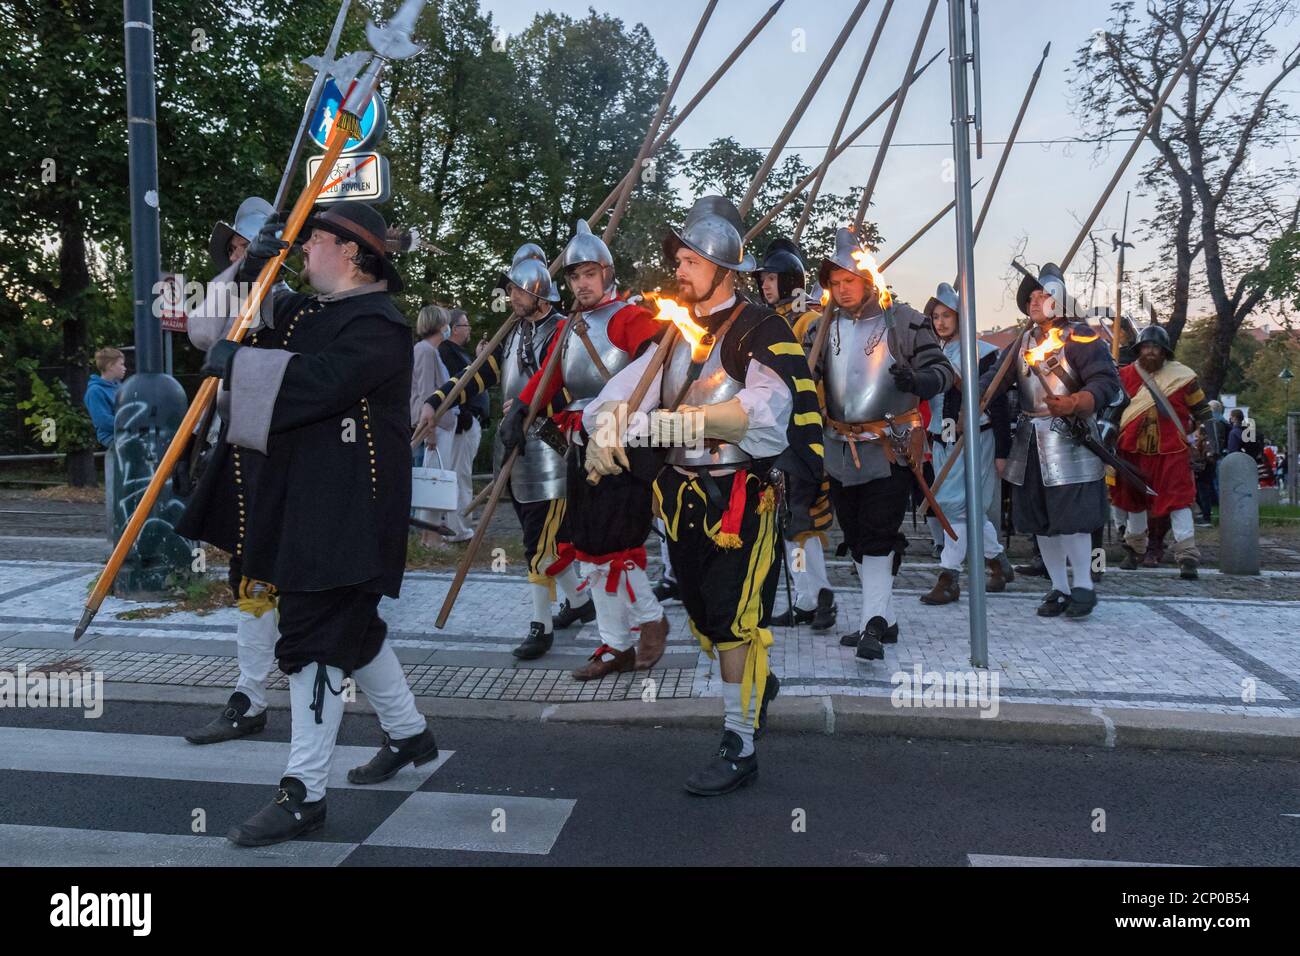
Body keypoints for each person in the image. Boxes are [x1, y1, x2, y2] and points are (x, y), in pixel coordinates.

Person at [187, 200, 438, 846]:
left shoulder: (382, 327)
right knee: (353, 630)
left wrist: (237, 365)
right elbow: (219, 322)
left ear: (349, 253)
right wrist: (254, 268)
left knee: (314, 638)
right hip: (309, 508)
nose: (304, 252)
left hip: (348, 516)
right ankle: (410, 734)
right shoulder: (313, 311)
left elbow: (321, 381)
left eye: (311, 242)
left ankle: (305, 794)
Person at [584, 196, 823, 795]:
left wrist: (674, 423)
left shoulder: (760, 329)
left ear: (722, 268)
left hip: (741, 497)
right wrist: (605, 428)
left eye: (689, 260)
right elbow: (615, 397)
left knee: (736, 622)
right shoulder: (671, 331)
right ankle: (754, 687)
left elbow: (764, 420)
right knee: (704, 619)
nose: (680, 270)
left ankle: (739, 742)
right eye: (679, 260)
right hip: (681, 499)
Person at [503, 219, 670, 678]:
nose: (581, 283)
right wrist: (520, 410)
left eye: (589, 274)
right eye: (574, 276)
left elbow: (661, 362)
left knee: (618, 542)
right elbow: (549, 378)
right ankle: (615, 645)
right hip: (578, 440)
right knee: (588, 546)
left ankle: (651, 618)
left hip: (621, 444)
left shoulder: (629, 317)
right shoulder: (572, 325)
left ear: (607, 274)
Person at [416, 244, 595, 660]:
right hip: (513, 446)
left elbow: (574, 384)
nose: (511, 297)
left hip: (551, 446)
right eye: (510, 290)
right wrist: (439, 399)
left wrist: (534, 409)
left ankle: (541, 624)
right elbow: (476, 376)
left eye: (518, 290)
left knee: (539, 542)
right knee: (544, 536)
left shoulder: (564, 331)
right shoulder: (512, 332)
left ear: (538, 294)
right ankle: (581, 601)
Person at [812, 227, 956, 657]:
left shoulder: (906, 321)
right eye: (835, 284)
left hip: (891, 446)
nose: (841, 290)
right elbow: (806, 378)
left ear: (868, 280)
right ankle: (885, 618)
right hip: (839, 446)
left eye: (848, 281)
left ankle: (871, 622)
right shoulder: (823, 328)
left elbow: (943, 372)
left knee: (877, 533)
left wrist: (918, 379)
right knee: (855, 536)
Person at [179, 196, 289, 746]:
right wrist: (242, 274)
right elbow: (201, 332)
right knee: (249, 575)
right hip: (239, 451)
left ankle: (401, 724)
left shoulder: (300, 308)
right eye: (237, 249)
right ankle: (250, 696)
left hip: (291, 459)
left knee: (315, 588)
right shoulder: (227, 302)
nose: (244, 254)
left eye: (251, 247)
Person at [980, 263, 1120, 619]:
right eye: (1031, 297)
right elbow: (993, 383)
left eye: (1043, 295)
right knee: (1040, 521)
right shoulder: (1020, 343)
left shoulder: (1082, 337)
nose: (1035, 301)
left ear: (1059, 300)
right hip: (1029, 440)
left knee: (1071, 519)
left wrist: (1076, 402)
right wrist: (968, 397)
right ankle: (1058, 586)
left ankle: (1084, 586)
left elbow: (1106, 383)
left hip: (1071, 439)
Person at [753, 236, 836, 632]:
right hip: (778, 434)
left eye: (772, 278)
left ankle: (816, 595)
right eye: (763, 279)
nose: (765, 285)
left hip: (804, 433)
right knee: (795, 521)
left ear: (790, 281)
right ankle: (809, 595)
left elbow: (818, 379)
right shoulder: (772, 323)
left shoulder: (810, 322)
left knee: (800, 520)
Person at [919, 282, 1012, 605]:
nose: (940, 322)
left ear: (961, 316)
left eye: (947, 315)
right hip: (942, 440)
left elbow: (998, 405)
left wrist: (1002, 451)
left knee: (954, 506)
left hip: (974, 439)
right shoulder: (933, 354)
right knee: (965, 507)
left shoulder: (984, 353)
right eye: (935, 316)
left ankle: (949, 577)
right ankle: (998, 563)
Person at [1107, 325, 1214, 580]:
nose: (1151, 351)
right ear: (1139, 350)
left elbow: (1203, 412)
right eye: (1146, 347)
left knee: (1179, 501)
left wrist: (1210, 442)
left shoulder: (1183, 377)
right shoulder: (1124, 376)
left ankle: (1187, 555)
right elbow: (1113, 412)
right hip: (1131, 449)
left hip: (1172, 450)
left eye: (1155, 347)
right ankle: (1134, 550)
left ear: (1164, 351)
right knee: (1134, 502)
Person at [438, 309, 487, 542]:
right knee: (459, 475)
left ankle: (460, 524)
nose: (469, 330)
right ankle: (458, 529)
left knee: (462, 474)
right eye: (466, 325)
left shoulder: (458, 352)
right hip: (462, 422)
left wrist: (479, 356)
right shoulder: (447, 352)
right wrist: (464, 415)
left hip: (469, 421)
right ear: (455, 329)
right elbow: (453, 386)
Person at [411, 304, 457, 545]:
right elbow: (426, 392)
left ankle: (431, 537)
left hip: (439, 424)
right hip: (434, 425)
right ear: (440, 325)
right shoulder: (426, 351)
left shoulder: (431, 351)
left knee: (434, 480)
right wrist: (429, 431)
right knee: (432, 482)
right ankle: (429, 539)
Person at [84, 346, 126, 540]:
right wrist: (129, 423)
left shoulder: (119, 387)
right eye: (121, 364)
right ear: (110, 366)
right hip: (113, 438)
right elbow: (102, 420)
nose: (124, 368)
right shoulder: (96, 392)